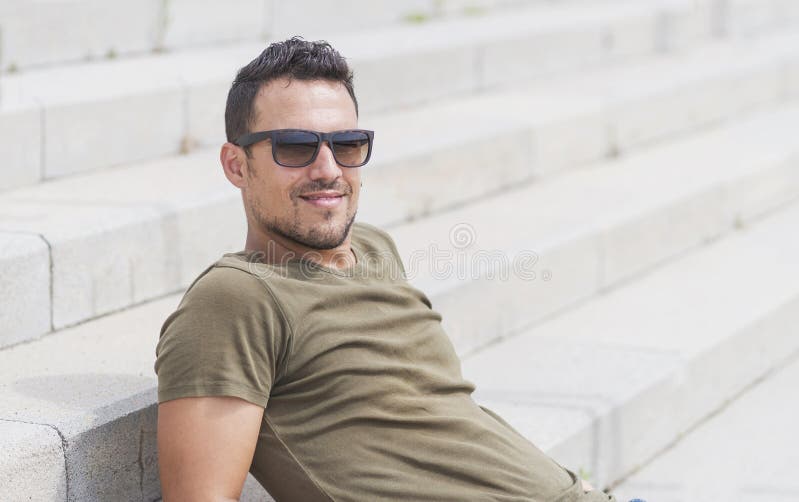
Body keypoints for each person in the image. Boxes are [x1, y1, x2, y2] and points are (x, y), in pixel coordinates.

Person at [154, 37, 618, 501]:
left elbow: (447, 420)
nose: (327, 169)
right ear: (236, 165)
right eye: (294, 148)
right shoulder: (236, 299)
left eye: (348, 145)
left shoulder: (374, 248)